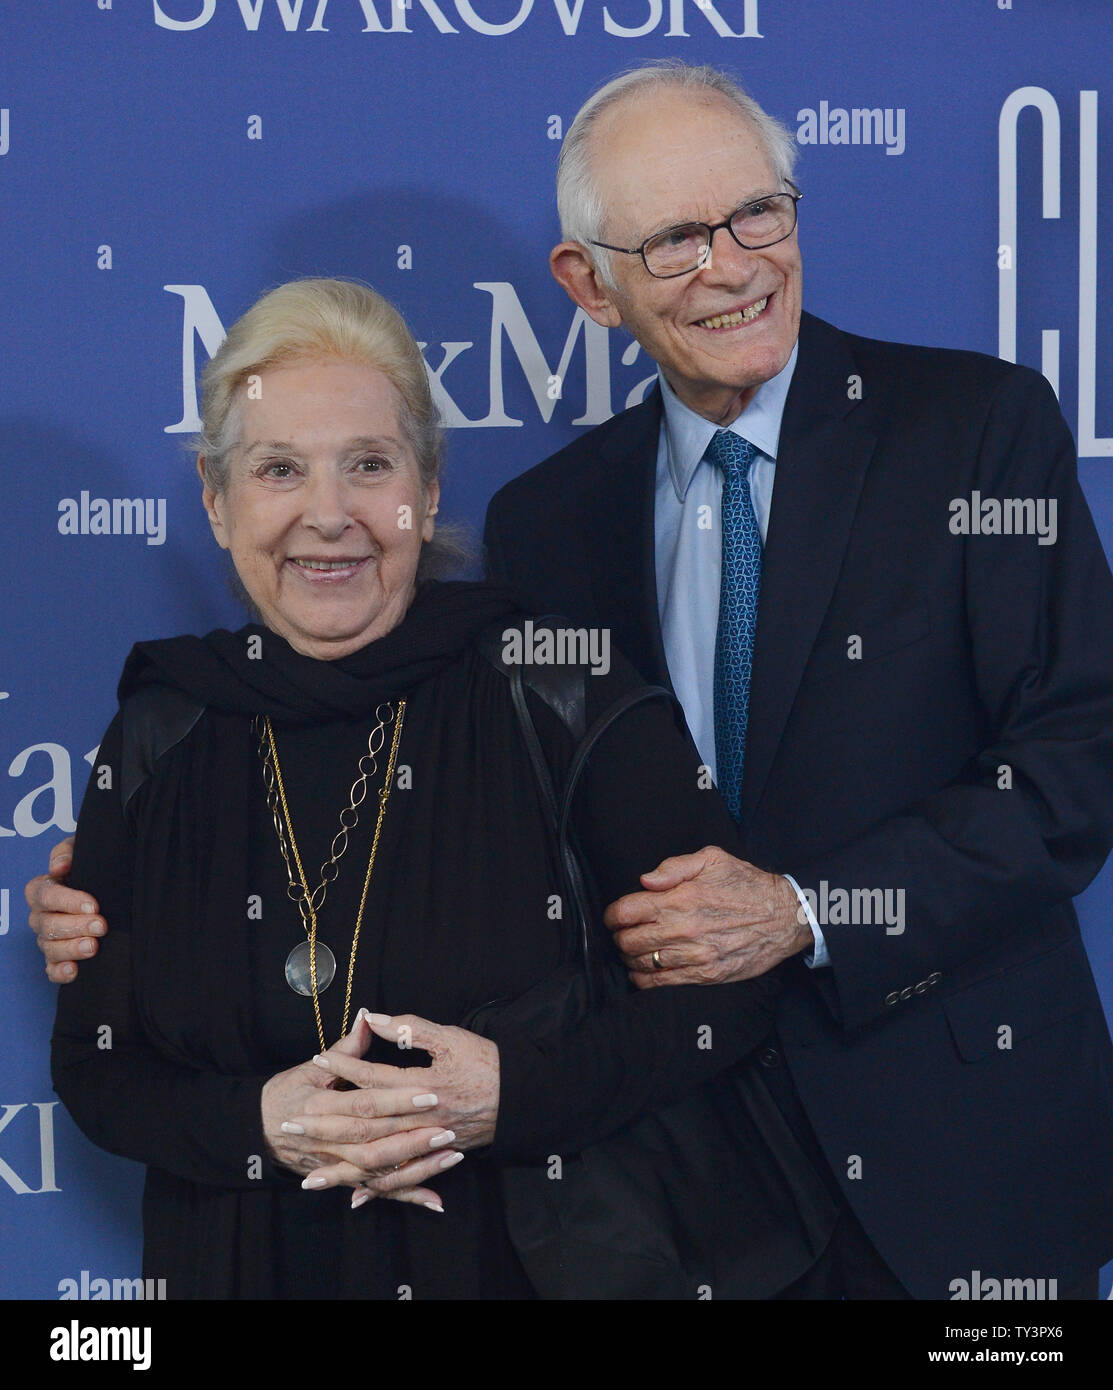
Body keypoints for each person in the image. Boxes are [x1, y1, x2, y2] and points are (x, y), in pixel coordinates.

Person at [31, 62, 1113, 1299]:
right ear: (589, 284)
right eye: (672, 239)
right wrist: (118, 900)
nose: (732, 263)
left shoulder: (975, 427)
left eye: (758, 212)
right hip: (689, 1186)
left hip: (954, 1147)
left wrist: (808, 911)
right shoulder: (552, 521)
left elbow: (1076, 761)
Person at [42, 275, 832, 1300]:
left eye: (369, 465)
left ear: (428, 482)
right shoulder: (161, 726)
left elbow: (729, 995)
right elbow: (98, 1067)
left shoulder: (561, 684)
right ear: (217, 497)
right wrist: (259, 1125)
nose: (329, 516)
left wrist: (514, 1094)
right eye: (279, 469)